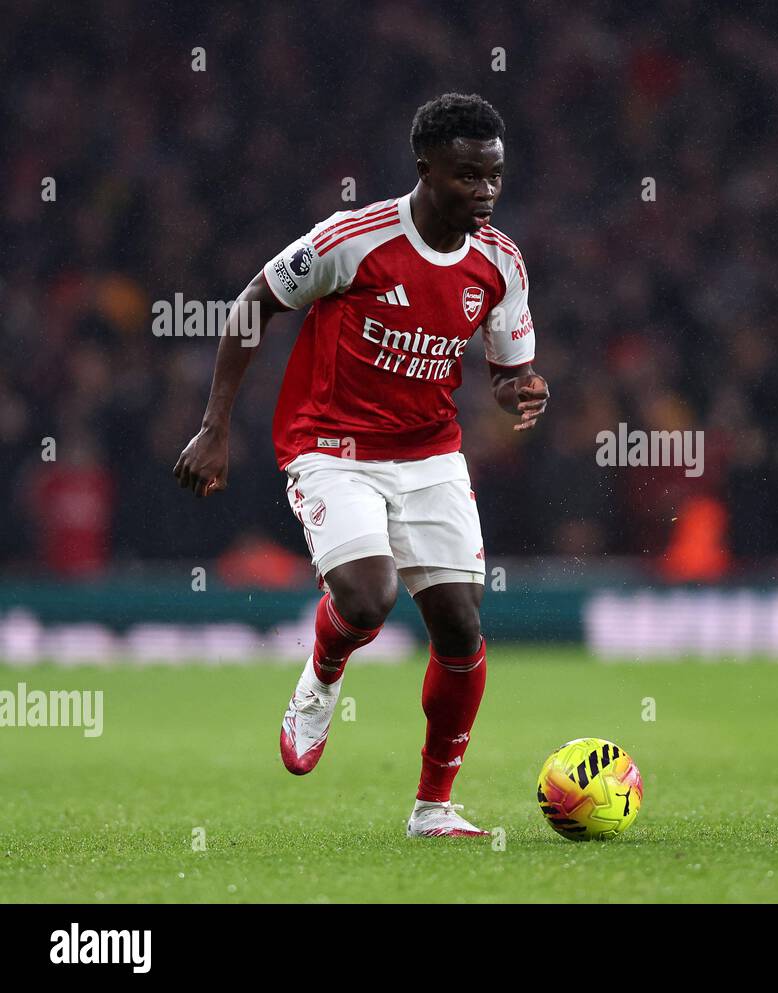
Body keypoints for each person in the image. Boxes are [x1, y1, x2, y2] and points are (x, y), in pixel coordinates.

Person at [173, 93, 548, 838]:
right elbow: (256, 302)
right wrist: (216, 425)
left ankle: (433, 807)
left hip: (431, 451)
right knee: (369, 597)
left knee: (460, 626)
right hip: (332, 446)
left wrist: (520, 389)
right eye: (469, 177)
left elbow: (509, 365)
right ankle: (321, 677)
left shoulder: (500, 262)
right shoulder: (355, 238)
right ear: (426, 169)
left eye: (495, 177)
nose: (485, 192)